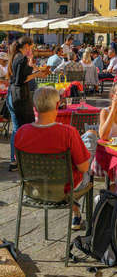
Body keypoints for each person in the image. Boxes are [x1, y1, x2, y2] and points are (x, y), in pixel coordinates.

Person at [14, 86, 90, 230]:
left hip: (34, 189)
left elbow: (20, 166)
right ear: (57, 105)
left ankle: (76, 212)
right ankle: (78, 213)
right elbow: (84, 168)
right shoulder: (68, 133)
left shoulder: (21, 133)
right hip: (64, 190)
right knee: (89, 149)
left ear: (34, 106)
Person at [6, 36, 50, 171]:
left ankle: (15, 160)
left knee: (17, 129)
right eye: (31, 47)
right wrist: (37, 74)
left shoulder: (16, 56)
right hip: (19, 96)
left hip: (13, 95)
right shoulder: (21, 58)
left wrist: (36, 71)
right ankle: (20, 160)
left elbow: (20, 77)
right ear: (26, 46)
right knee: (23, 128)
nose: (32, 49)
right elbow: (21, 80)